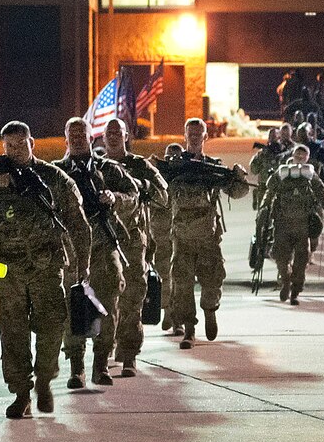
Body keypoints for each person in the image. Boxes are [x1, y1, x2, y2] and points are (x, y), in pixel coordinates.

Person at [0, 121, 91, 419]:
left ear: (32, 143)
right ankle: (21, 392)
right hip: (7, 269)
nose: (15, 151)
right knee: (12, 333)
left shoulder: (52, 178)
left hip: (46, 265)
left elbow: (77, 221)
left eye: (21, 145)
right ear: (3, 147)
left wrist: (83, 263)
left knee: (51, 326)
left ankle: (45, 381)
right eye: (9, 146)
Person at [53, 117, 139, 387]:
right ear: (66, 140)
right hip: (71, 249)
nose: (78, 139)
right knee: (74, 306)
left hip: (104, 245)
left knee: (109, 303)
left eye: (83, 134)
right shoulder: (56, 173)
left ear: (92, 138)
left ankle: (100, 364)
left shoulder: (108, 170)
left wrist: (114, 198)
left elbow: (133, 196)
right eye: (73, 135)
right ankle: (76, 368)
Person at [165, 118, 249, 349]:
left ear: (205, 137)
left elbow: (237, 192)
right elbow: (157, 191)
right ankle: (189, 330)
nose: (194, 136)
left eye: (198, 133)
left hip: (207, 238)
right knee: (182, 286)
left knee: (212, 282)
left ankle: (210, 311)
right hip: (181, 238)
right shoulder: (174, 167)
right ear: (184, 136)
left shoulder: (213, 167)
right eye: (190, 133)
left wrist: (239, 177)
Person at [102, 118, 168, 376]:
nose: (114, 137)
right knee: (105, 296)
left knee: (131, 298)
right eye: (110, 133)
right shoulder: (97, 166)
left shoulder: (139, 166)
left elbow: (163, 197)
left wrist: (144, 187)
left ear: (127, 136)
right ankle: (105, 347)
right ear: (103, 137)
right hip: (104, 240)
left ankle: (129, 354)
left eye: (118, 132)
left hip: (132, 240)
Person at [260, 144, 324, 305]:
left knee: (301, 261)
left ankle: (295, 290)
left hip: (303, 226)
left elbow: (322, 194)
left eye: (303, 156)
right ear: (293, 156)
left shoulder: (310, 175)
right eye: (297, 155)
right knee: (281, 257)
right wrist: (264, 208)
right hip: (282, 224)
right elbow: (270, 191)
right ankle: (286, 281)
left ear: (307, 158)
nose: (300, 158)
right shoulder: (282, 173)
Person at [151, 142, 183, 334]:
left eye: (176, 156)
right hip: (161, 233)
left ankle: (177, 318)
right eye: (169, 156)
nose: (172, 159)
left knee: (180, 277)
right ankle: (167, 310)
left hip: (181, 233)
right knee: (163, 276)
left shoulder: (185, 175)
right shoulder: (157, 176)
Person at [249, 128, 286, 209]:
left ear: (280, 138)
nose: (273, 139)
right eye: (271, 137)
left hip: (280, 187)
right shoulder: (262, 153)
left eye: (275, 137)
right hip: (264, 186)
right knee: (262, 212)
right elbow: (254, 169)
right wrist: (262, 157)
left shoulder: (284, 153)